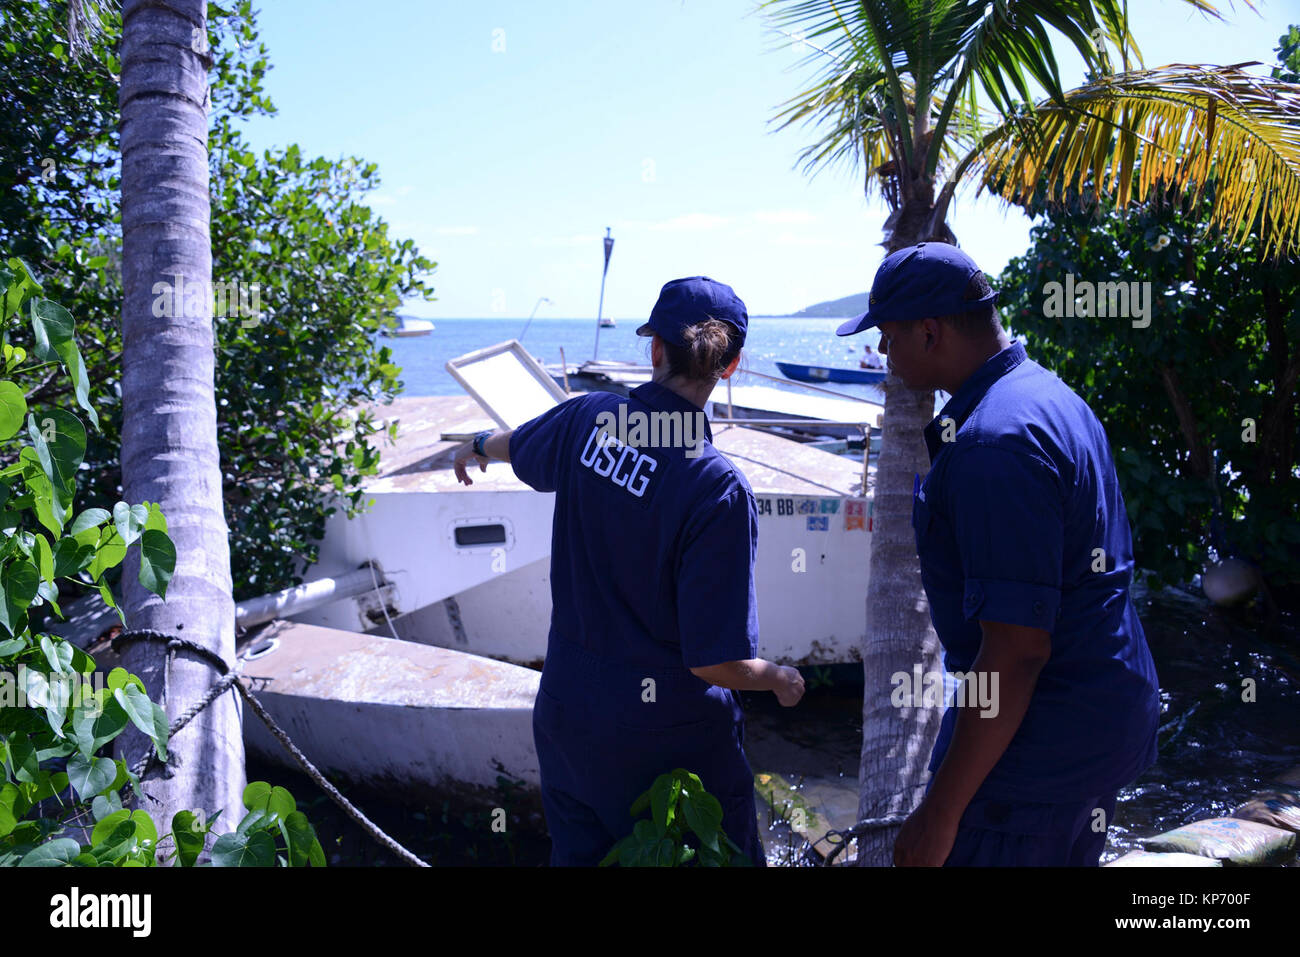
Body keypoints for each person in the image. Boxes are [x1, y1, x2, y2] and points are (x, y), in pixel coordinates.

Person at [454, 276, 806, 866]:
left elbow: (524, 446)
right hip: (666, 745)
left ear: (656, 349)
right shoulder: (714, 487)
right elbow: (712, 661)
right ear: (731, 366)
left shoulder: (591, 416)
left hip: (569, 715)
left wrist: (477, 442)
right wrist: (778, 679)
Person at [836, 242, 1160, 866]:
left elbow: (1016, 652)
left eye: (889, 335)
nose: (883, 352)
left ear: (930, 332)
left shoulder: (993, 445)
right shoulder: (1049, 396)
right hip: (1101, 715)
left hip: (1040, 750)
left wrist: (940, 813)